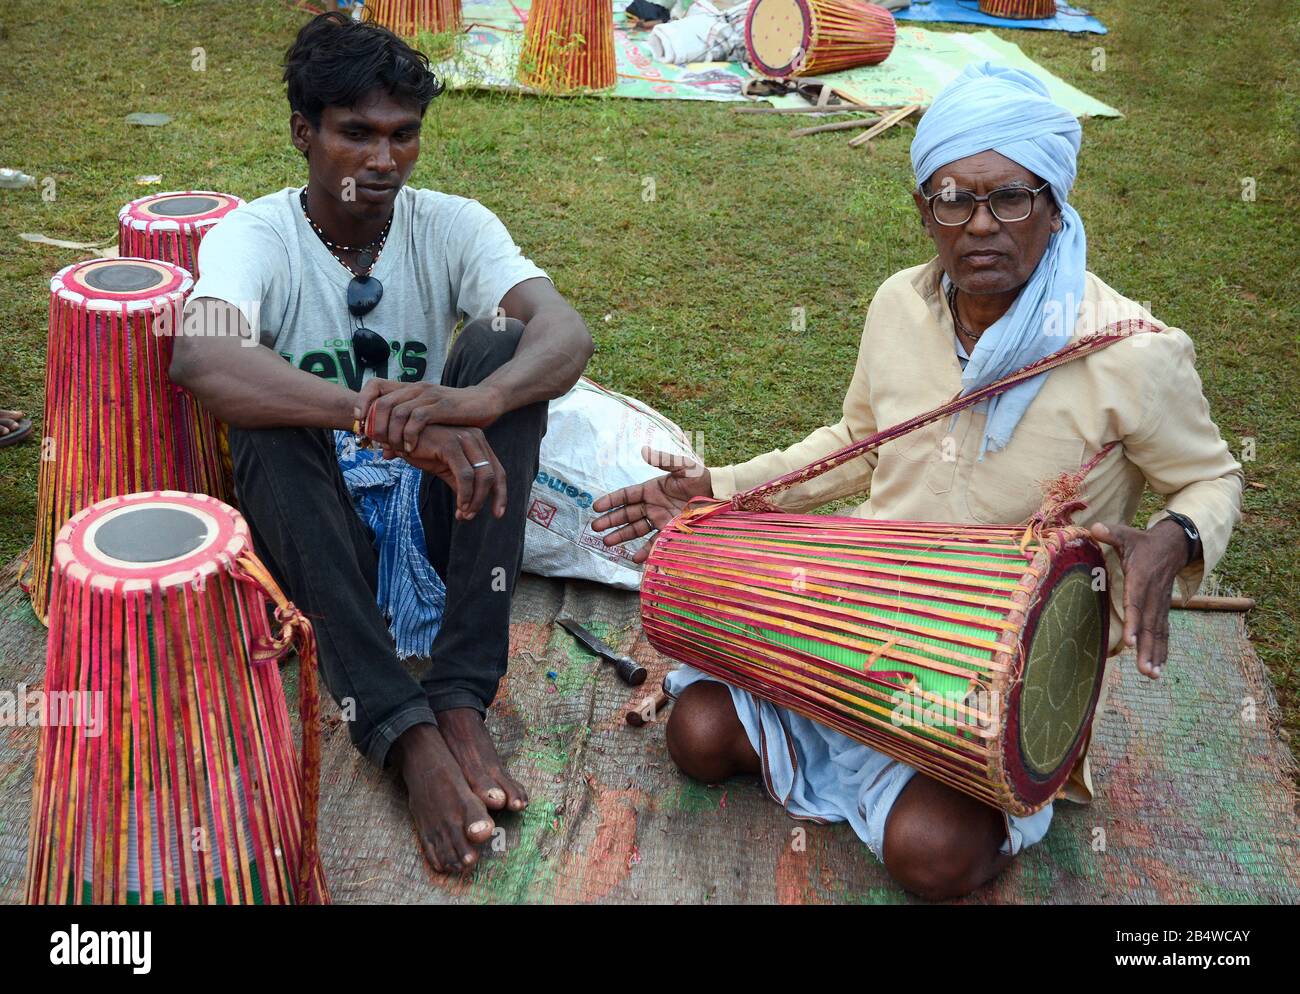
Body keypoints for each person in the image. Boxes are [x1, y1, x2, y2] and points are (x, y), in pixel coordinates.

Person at [591, 63, 1243, 900]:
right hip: (862, 615)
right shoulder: (899, 305)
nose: (981, 225)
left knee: (929, 856)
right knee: (698, 735)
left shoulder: (1132, 351)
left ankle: (992, 796)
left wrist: (1176, 536)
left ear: (1054, 206)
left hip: (989, 668)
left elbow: (1213, 479)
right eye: (952, 199)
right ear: (923, 211)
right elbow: (857, 443)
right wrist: (720, 485)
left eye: (1010, 198)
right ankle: (853, 747)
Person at [171, 12, 593, 874]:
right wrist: (375, 414)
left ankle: (462, 693)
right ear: (303, 132)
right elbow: (201, 354)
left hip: (440, 508)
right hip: (324, 534)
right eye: (354, 133)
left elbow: (564, 329)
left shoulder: (452, 223)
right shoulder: (254, 237)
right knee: (262, 412)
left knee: (506, 344)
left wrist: (473, 400)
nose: (381, 160)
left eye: (403, 136)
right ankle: (401, 729)